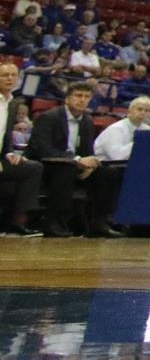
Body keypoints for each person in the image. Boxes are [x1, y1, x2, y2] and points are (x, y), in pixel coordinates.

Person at [29, 82, 124, 237]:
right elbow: (41, 149)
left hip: (75, 167)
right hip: (48, 166)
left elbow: (88, 152)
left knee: (109, 174)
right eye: (78, 96)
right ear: (67, 99)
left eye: (87, 97)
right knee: (66, 169)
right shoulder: (49, 117)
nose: (82, 100)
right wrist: (77, 160)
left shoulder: (87, 121)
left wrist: (90, 167)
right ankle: (55, 222)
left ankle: (99, 223)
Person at [0, 63, 45, 235]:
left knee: (33, 168)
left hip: (2, 159)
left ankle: (17, 221)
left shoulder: (13, 103)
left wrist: (10, 153)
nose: (10, 78)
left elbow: (5, 134)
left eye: (13, 75)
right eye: (5, 75)